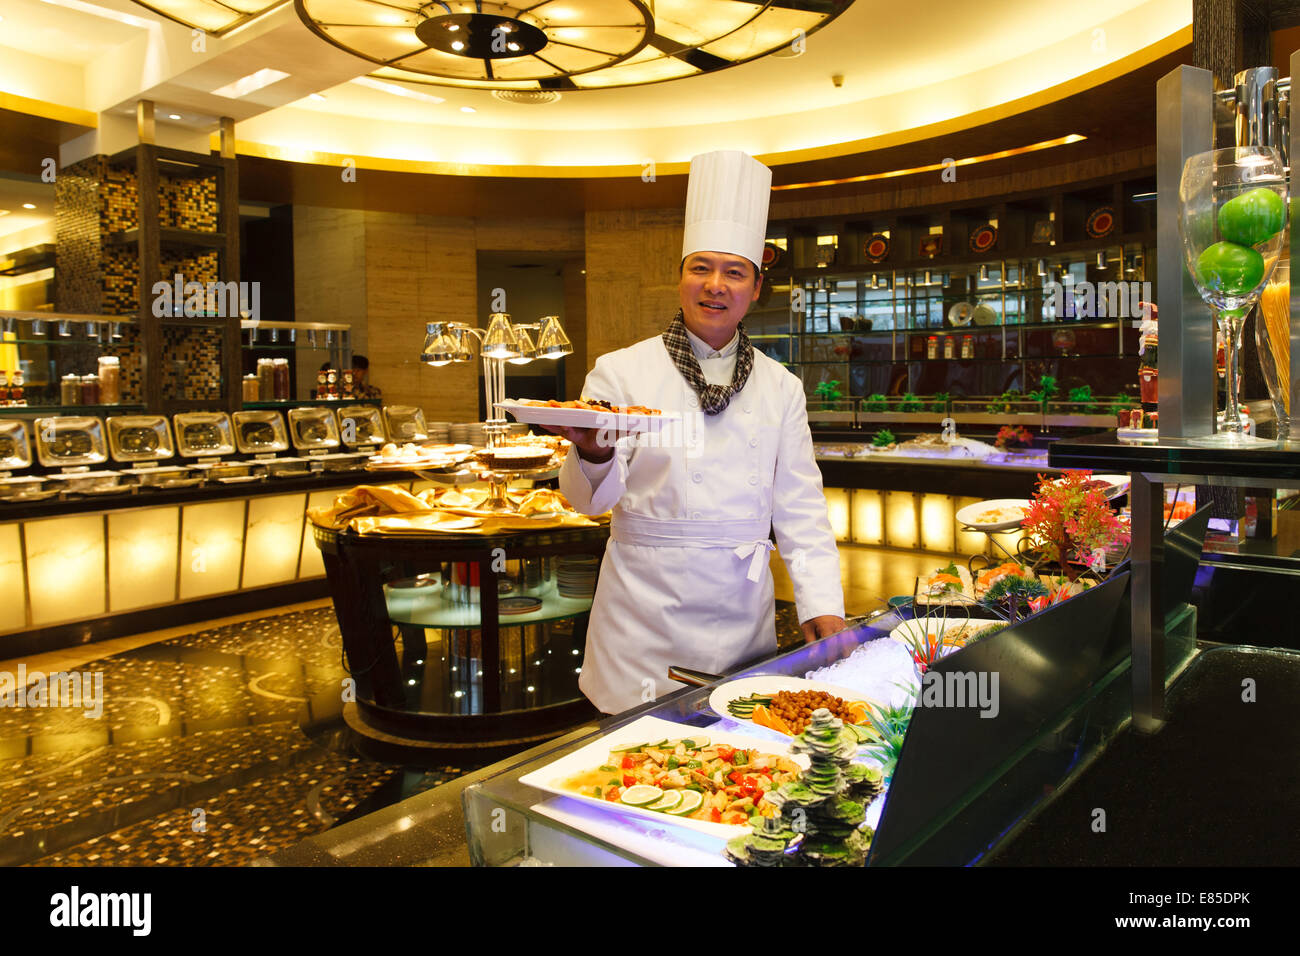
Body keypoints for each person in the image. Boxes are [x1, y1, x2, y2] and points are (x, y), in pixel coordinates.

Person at [554, 149, 845, 715]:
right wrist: (592, 452)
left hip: (740, 614)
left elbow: (800, 508)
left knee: (736, 753)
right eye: (700, 268)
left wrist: (821, 603)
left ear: (755, 288)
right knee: (630, 763)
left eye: (734, 272)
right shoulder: (621, 370)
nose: (715, 285)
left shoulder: (781, 386)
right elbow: (589, 503)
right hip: (640, 617)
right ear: (680, 276)